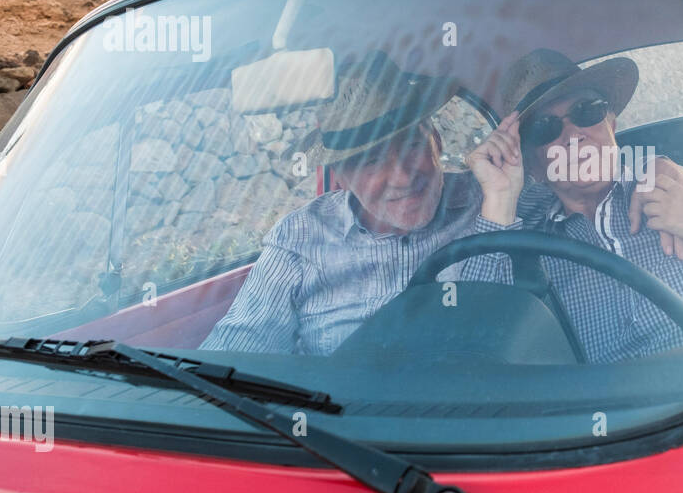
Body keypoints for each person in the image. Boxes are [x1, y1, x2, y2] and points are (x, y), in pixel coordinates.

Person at [462, 47, 683, 363]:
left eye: (587, 110)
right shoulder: (515, 238)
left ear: (611, 122)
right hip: (585, 407)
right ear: (531, 163)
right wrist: (499, 197)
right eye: (545, 128)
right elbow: (472, 351)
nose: (572, 135)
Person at [200, 57, 479, 355]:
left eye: (412, 145)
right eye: (371, 161)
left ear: (436, 141)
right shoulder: (299, 238)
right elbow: (238, 350)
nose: (402, 177)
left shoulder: (489, 198)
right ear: (342, 176)